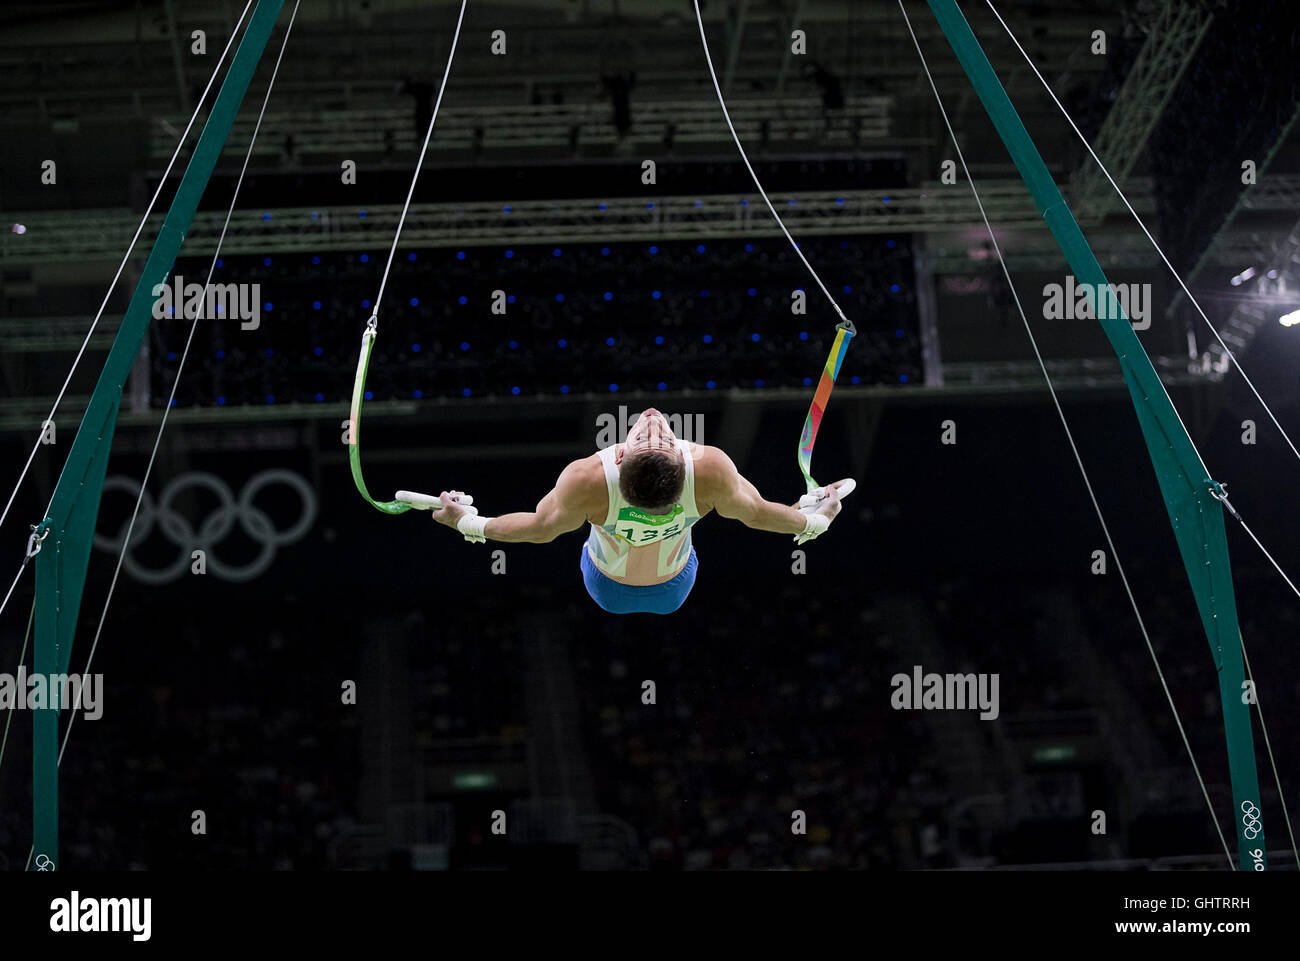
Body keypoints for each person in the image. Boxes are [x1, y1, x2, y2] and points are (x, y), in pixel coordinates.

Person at [430, 407, 849, 614]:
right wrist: (813, 519)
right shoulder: (709, 470)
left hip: (604, 584)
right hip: (675, 585)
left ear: (620, 456)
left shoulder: (588, 479)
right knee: (735, 507)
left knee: (582, 525)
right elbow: (758, 513)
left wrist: (467, 521)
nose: (652, 422)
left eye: (651, 437)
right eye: (658, 436)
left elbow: (540, 528)